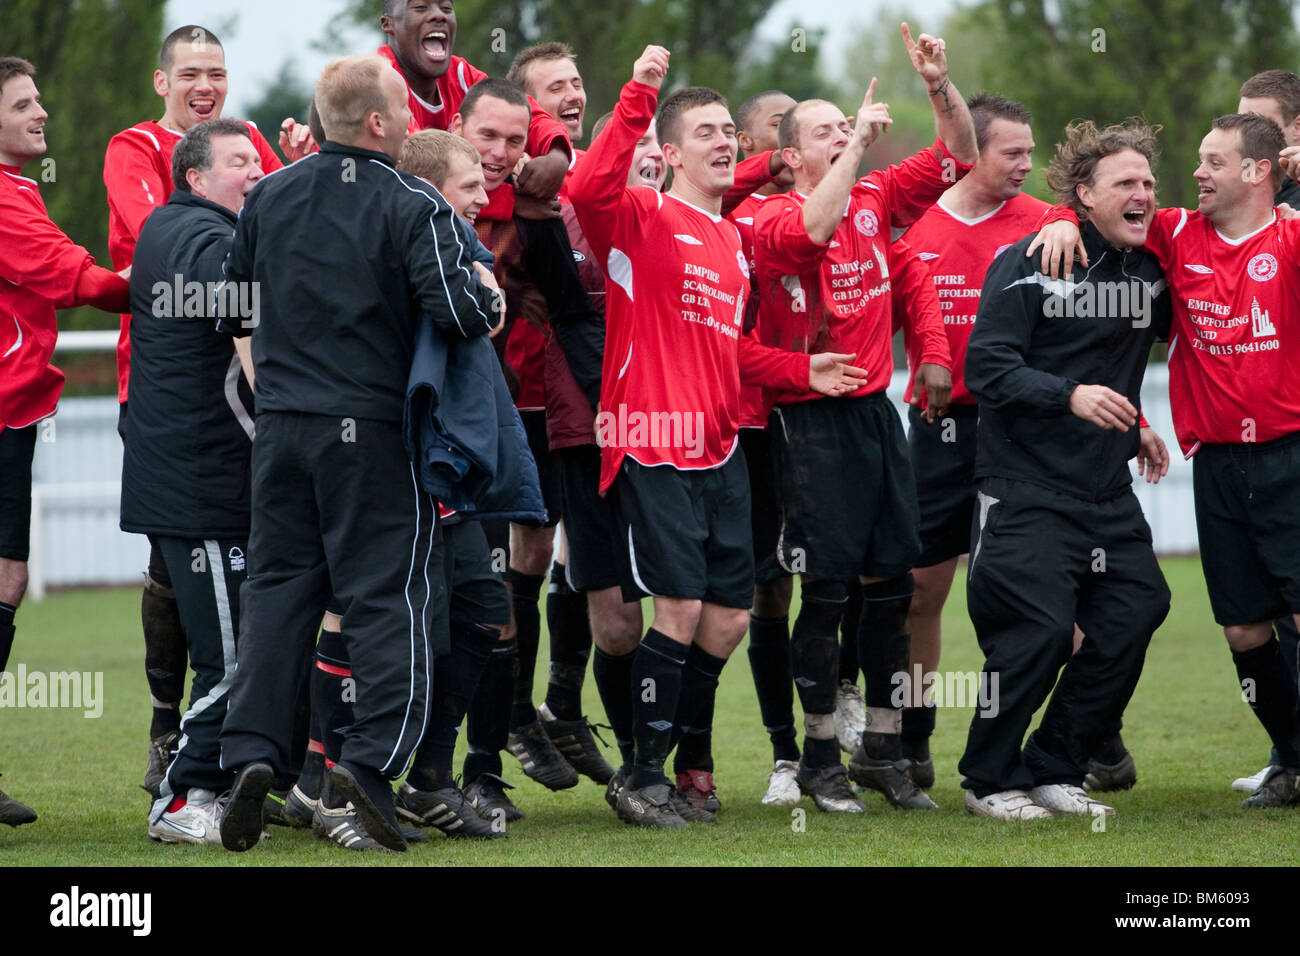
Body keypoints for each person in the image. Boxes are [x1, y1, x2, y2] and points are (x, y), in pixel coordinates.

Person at [570, 45, 867, 827]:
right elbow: (588, 184)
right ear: (669, 153)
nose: (722, 140)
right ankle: (640, 775)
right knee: (675, 608)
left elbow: (728, 351)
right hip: (650, 440)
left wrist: (805, 371)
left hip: (722, 443)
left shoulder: (733, 240)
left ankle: (683, 769)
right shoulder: (639, 215)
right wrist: (638, 89)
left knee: (729, 617)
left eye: (725, 129)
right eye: (704, 131)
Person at [216, 53, 500, 854]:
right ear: (376, 122)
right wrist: (488, 297)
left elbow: (231, 306)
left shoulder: (267, 194)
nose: (412, 121)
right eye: (402, 112)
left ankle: (249, 757)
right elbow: (455, 310)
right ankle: (369, 767)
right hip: (370, 433)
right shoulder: (411, 200)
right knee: (389, 598)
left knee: (276, 595)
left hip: (281, 432)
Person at [1032, 113, 1300, 809]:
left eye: (1214, 161)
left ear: (1258, 171)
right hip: (1217, 463)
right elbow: (1102, 203)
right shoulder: (1177, 234)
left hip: (1291, 456)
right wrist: (1062, 216)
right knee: (1244, 627)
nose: (1197, 173)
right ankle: (1295, 761)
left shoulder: (1293, 239)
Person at [752, 23, 976, 812]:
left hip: (876, 419)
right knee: (828, 592)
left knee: (894, 587)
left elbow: (961, 155)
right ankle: (816, 757)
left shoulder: (878, 198)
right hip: (808, 426)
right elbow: (815, 228)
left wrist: (938, 85)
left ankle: (882, 746)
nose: (846, 136)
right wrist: (855, 154)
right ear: (790, 157)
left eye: (846, 128)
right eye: (826, 131)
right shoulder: (769, 219)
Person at [960, 118, 1175, 821]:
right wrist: (1070, 396)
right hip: (1024, 489)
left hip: (1106, 492)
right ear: (1085, 193)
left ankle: (1056, 765)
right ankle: (987, 779)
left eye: (1148, 182)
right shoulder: (1028, 260)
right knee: (1041, 631)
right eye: (1125, 184)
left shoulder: (1150, 270)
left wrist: (1135, 421)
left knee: (1138, 608)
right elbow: (986, 366)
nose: (1142, 193)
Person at [103, 23, 284, 797]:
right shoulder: (150, 167)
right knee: (181, 576)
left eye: (217, 70)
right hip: (168, 398)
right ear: (162, 81)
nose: (204, 82)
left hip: (219, 417)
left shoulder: (234, 158)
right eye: (191, 72)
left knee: (253, 588)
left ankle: (261, 759)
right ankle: (171, 738)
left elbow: (275, 225)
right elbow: (186, 258)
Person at [894, 93, 1050, 790]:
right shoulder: (914, 223)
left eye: (1029, 150)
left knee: (1020, 591)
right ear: (974, 152)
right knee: (921, 590)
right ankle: (913, 739)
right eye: (1012, 152)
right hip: (935, 429)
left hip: (1018, 429)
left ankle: (1063, 739)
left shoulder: (1050, 223)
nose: (1027, 164)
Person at [121, 118, 264, 844]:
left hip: (195, 481)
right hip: (201, 485)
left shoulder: (171, 228)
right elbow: (235, 301)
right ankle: (180, 801)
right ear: (196, 178)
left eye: (258, 158)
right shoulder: (202, 237)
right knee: (230, 655)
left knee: (243, 645)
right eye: (239, 161)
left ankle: (239, 778)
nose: (256, 170)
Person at [0, 56, 130, 826]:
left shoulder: (19, 188)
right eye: (23, 104)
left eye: (39, 101)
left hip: (13, 418)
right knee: (6, 579)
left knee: (8, 579)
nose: (41, 113)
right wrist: (175, 283)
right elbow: (73, 278)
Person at [1230, 68, 1300, 792]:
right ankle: (1290, 756)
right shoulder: (1244, 212)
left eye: (1263, 124)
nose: (1247, 134)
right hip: (1241, 451)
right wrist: (1062, 214)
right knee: (1255, 617)